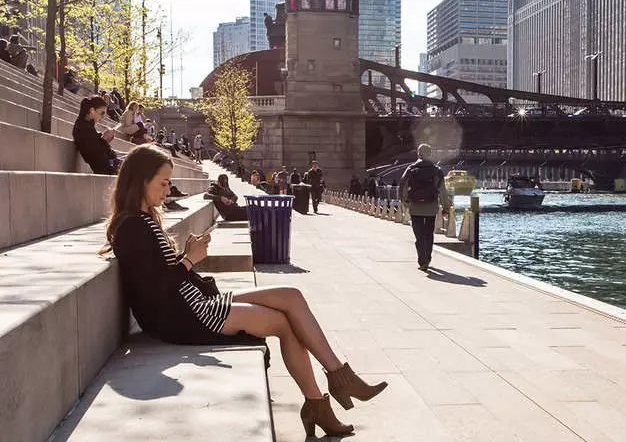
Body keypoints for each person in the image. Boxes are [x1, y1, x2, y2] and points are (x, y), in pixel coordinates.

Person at [101, 145, 386, 437]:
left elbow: (158, 274)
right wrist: (189, 259)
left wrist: (185, 257)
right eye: (162, 183)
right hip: (182, 317)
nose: (167, 189)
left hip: (191, 303)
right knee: (283, 324)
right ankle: (318, 402)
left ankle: (338, 376)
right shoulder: (133, 227)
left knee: (291, 295)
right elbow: (155, 290)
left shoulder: (143, 219)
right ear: (140, 180)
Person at [399, 144, 449, 271]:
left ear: (418, 154)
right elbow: (443, 191)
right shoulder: (436, 171)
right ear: (430, 154)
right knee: (428, 234)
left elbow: (403, 187)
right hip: (431, 208)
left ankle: (422, 262)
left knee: (419, 236)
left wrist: (406, 203)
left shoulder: (411, 169)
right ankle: (428, 257)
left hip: (415, 208)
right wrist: (445, 208)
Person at [72, 95, 120, 175]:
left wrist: (106, 140)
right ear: (92, 110)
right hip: (105, 172)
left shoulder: (88, 125)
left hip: (109, 168)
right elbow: (95, 155)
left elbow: (98, 147)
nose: (103, 117)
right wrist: (104, 139)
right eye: (102, 113)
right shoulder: (82, 128)